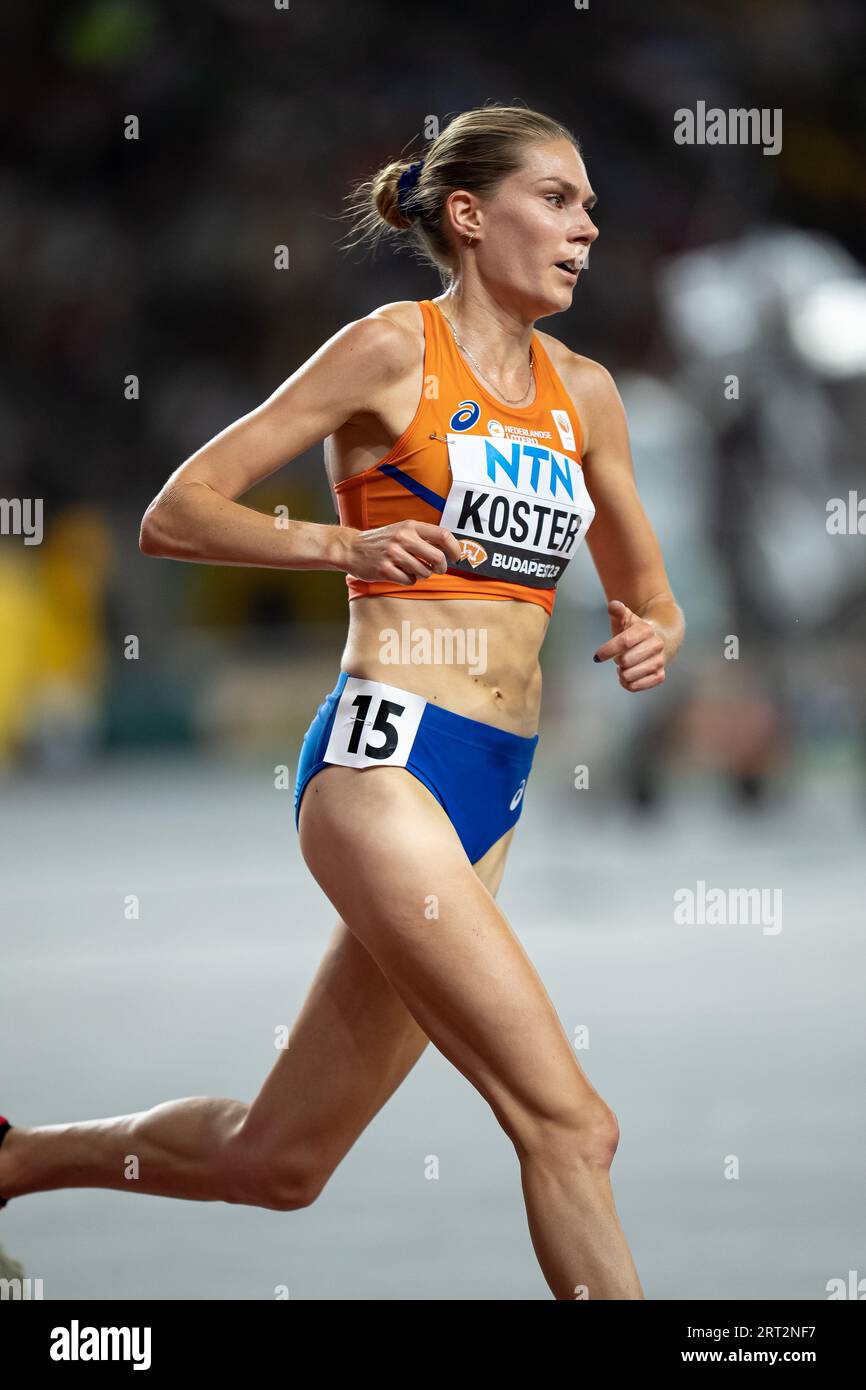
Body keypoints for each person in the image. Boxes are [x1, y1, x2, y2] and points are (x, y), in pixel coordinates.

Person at [0, 104, 684, 1300]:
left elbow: (649, 587)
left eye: (590, 209)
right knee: (570, 1126)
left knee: (278, 1161)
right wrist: (340, 547)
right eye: (558, 201)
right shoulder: (389, 350)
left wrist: (650, 632)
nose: (587, 228)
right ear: (468, 217)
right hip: (384, 771)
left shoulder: (589, 395)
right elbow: (179, 510)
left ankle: (10, 1162)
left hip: (491, 794)